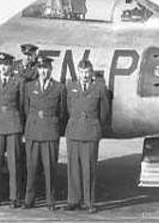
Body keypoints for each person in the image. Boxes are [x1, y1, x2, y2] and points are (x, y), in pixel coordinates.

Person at [64, 58, 110, 213]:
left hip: (90, 132)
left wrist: (94, 124)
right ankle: (73, 200)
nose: (84, 75)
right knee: (73, 168)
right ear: (78, 72)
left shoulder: (100, 88)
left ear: (91, 73)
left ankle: (89, 202)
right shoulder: (71, 87)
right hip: (74, 131)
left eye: (87, 72)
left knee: (88, 167)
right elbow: (69, 108)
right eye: (82, 72)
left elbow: (104, 112)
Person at [23, 55, 64, 210]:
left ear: (51, 69)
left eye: (46, 68)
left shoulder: (59, 88)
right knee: (31, 168)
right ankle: (29, 199)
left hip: (49, 133)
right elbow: (26, 109)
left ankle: (50, 200)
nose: (43, 71)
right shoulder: (29, 87)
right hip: (33, 132)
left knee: (50, 168)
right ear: (37, 69)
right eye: (40, 68)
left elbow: (61, 112)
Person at [0, 52, 24, 208]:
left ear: (11, 65)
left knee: (14, 163)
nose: (3, 67)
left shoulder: (18, 81)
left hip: (13, 125)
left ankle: (14, 197)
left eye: (6, 64)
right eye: (1, 64)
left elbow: (22, 105)